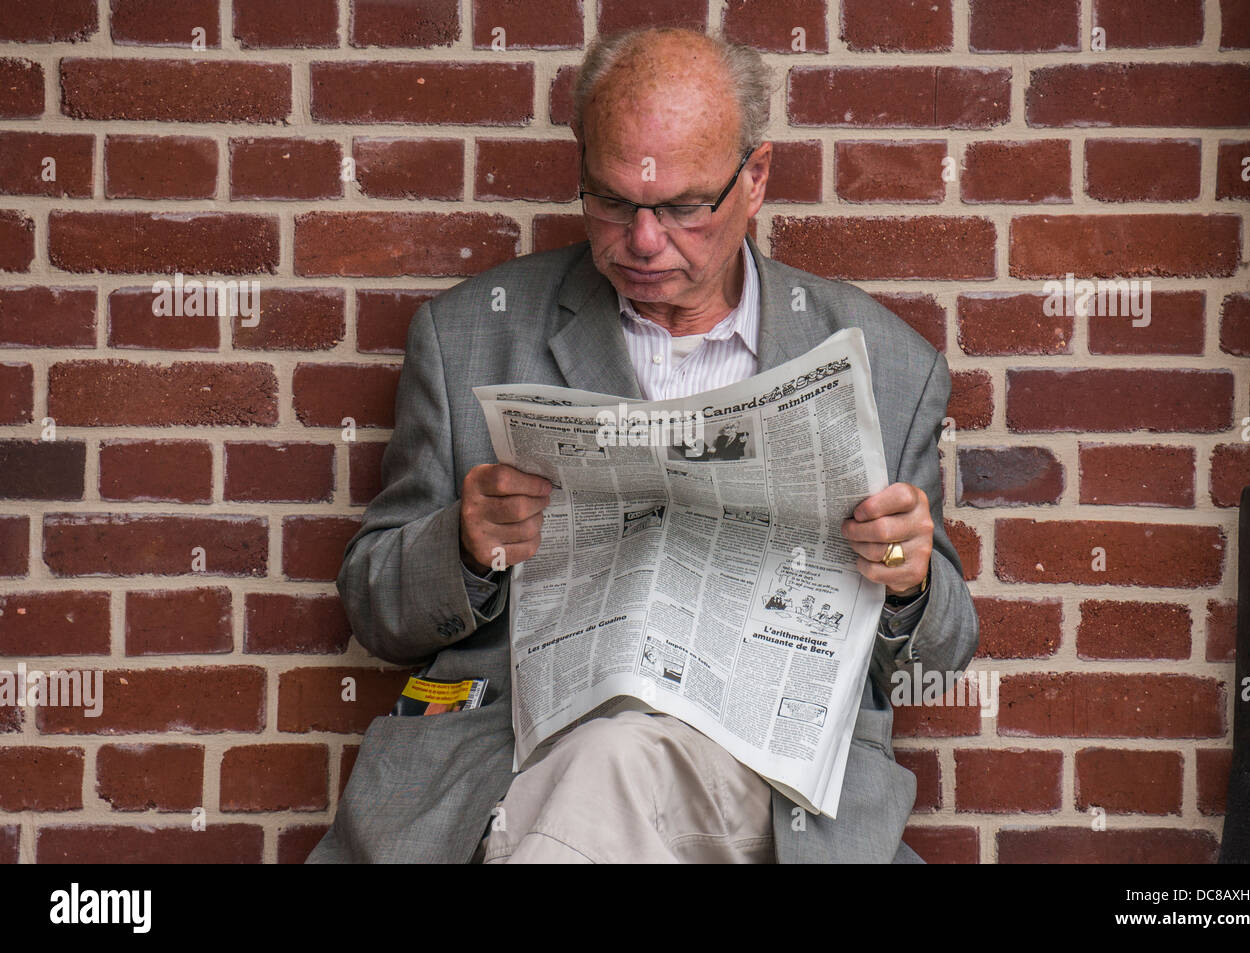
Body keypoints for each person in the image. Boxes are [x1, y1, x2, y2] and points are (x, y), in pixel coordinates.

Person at [308, 26, 978, 865]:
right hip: (515, 763)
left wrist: (911, 579)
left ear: (755, 178)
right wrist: (464, 546)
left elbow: (943, 651)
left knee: (616, 761)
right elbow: (375, 605)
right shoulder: (469, 335)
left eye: (684, 206)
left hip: (766, 791)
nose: (645, 240)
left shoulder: (886, 365)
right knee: (605, 761)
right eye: (613, 201)